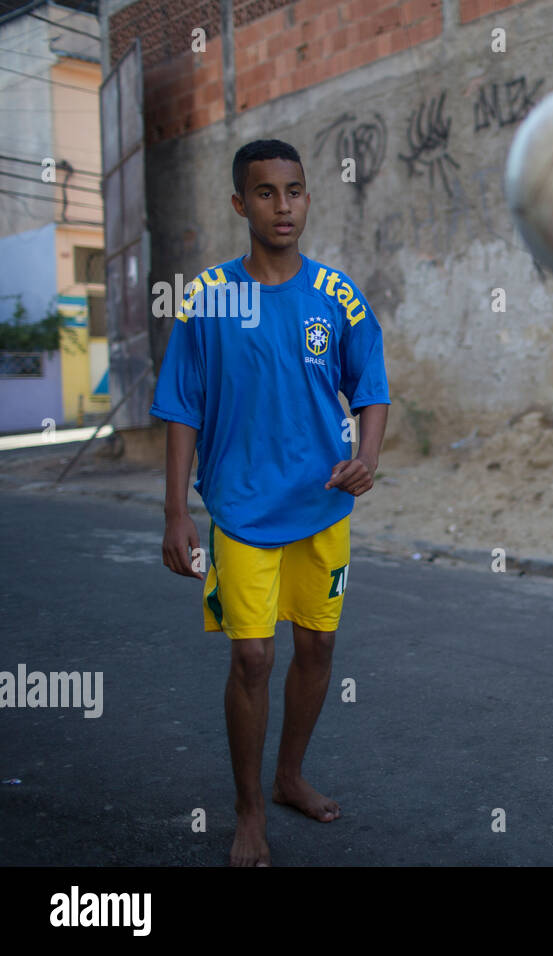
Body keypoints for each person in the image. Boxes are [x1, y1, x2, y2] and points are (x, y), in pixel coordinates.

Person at [152, 139, 390, 866]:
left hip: (321, 509)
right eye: (265, 193)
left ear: (307, 197)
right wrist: (174, 511)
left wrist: (367, 458)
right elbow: (183, 406)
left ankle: (289, 777)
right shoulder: (209, 298)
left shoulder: (337, 295)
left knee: (316, 646)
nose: (282, 205)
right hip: (243, 512)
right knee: (253, 659)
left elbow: (371, 388)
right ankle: (249, 807)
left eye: (294, 190)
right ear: (239, 203)